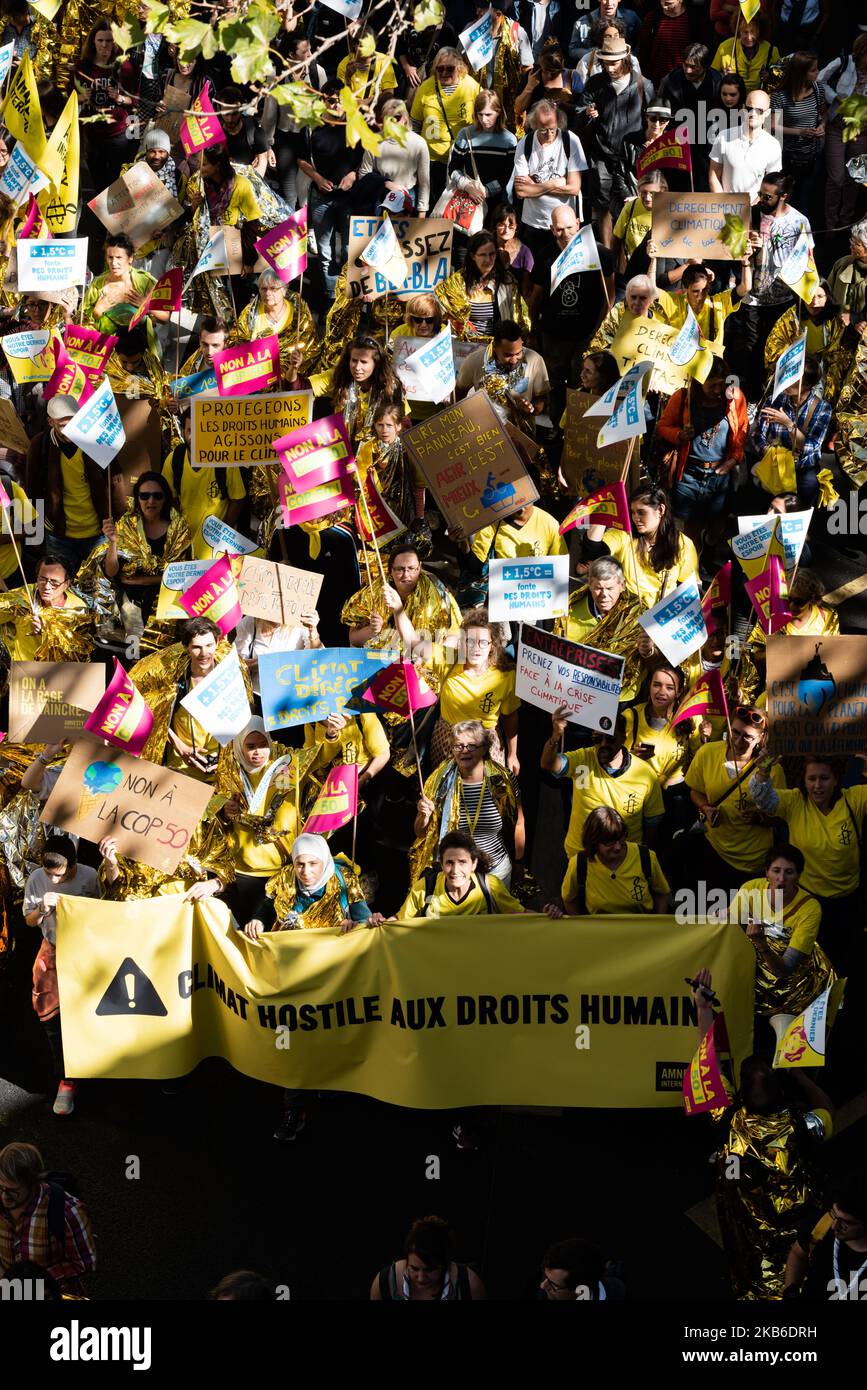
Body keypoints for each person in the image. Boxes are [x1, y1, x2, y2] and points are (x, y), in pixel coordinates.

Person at [690, 968, 834, 1300]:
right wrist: (798, 1075)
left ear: (739, 1091)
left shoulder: (726, 1115)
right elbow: (826, 1107)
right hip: (798, 1258)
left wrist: (702, 1008)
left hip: (749, 1257)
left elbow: (707, 1060)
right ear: (781, 1091)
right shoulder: (803, 1125)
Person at [749, 755, 867, 976]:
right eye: (811, 778)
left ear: (836, 780)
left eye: (824, 778)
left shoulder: (855, 799)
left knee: (843, 964)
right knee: (808, 966)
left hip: (848, 903)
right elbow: (762, 800)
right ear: (803, 780)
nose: (817, 785)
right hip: (807, 902)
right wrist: (763, 772)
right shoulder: (795, 802)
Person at [23, 835, 100, 1117]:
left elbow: (106, 909)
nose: (53, 881)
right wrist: (43, 908)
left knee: (89, 1011)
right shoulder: (36, 879)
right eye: (49, 874)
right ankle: (65, 1078)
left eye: (60, 875)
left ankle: (91, 1067)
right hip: (53, 948)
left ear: (74, 865)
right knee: (49, 1013)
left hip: (86, 949)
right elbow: (29, 919)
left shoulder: (90, 877)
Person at [717, 843, 835, 1021]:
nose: (781, 879)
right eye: (776, 871)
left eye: (789, 872)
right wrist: (723, 916)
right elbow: (729, 928)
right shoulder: (750, 889)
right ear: (766, 873)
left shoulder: (810, 908)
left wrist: (762, 943)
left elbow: (786, 969)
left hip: (797, 987)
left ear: (799, 876)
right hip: (757, 977)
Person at [218, 721, 314, 931]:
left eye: (263, 744)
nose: (258, 752)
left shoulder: (285, 767)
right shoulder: (229, 770)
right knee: (248, 934)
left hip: (281, 870)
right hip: (244, 872)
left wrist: (332, 734)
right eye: (250, 746)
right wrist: (224, 811)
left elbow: (319, 756)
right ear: (239, 746)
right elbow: (213, 815)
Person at [128, 617, 249, 782]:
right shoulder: (174, 679)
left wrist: (225, 758)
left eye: (209, 645)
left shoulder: (231, 672)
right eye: (196, 647)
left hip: (219, 770)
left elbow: (244, 719)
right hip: (179, 769)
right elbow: (145, 711)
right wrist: (178, 745)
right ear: (186, 647)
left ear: (218, 643)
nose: (204, 653)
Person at [684, 705, 786, 892]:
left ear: (761, 738)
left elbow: (782, 816)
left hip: (751, 863)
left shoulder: (771, 770)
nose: (738, 741)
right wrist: (705, 808)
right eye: (735, 732)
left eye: (747, 737)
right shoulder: (707, 753)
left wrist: (760, 818)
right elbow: (695, 791)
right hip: (713, 851)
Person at [528, 205, 615, 422]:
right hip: (554, 337)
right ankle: (557, 431)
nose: (565, 234)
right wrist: (534, 329)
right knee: (555, 387)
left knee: (583, 388)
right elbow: (535, 298)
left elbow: (609, 297)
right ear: (551, 229)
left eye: (569, 228)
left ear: (578, 223)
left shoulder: (601, 254)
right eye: (559, 229)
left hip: (586, 336)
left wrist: (597, 330)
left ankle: (579, 434)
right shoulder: (546, 256)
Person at [727, 173, 812, 394]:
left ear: (783, 196)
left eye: (767, 197)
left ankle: (774, 393)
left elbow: (807, 259)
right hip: (753, 298)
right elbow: (728, 246)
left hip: (783, 298)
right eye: (759, 194)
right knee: (752, 348)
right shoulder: (750, 214)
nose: (761, 200)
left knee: (777, 348)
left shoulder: (799, 221)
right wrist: (747, 248)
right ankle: (753, 395)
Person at [542, 708, 665, 862]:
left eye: (610, 739)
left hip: (624, 862)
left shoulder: (645, 775)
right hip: (582, 858)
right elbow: (548, 764)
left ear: (624, 736)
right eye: (597, 739)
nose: (603, 745)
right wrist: (556, 736)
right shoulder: (583, 759)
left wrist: (641, 860)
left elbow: (652, 824)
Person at [412, 721, 522, 887]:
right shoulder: (438, 782)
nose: (464, 751)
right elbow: (420, 832)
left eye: (471, 746)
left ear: (484, 749)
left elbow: (519, 823)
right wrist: (424, 816)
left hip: (496, 873)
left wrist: (519, 862)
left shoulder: (503, 780)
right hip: (454, 876)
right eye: (458, 746)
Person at [77, 471, 190, 626]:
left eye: (157, 496)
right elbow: (111, 572)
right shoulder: (126, 524)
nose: (151, 501)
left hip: (166, 601)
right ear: (137, 498)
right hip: (130, 604)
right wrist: (113, 542)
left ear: (165, 499)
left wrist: (144, 581)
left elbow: (184, 575)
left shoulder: (178, 527)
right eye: (144, 496)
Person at [655, 357, 749, 541]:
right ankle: (695, 566)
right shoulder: (683, 397)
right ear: (699, 381)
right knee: (692, 528)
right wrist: (679, 434)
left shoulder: (735, 398)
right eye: (712, 385)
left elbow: (742, 432)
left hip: (719, 476)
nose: (717, 390)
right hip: (689, 475)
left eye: (721, 385)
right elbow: (663, 427)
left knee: (717, 528)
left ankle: (710, 547)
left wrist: (733, 459)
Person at [583, 484, 699, 611]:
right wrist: (603, 516)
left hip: (663, 617)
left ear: (660, 510)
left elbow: (690, 590)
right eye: (632, 512)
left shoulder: (683, 544)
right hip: (626, 615)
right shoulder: (624, 535)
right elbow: (594, 553)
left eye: (641, 512)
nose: (635, 518)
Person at [25, 395, 108, 573]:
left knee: (98, 589)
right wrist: (35, 539)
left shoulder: (95, 441)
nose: (70, 429)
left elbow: (115, 480)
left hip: (97, 533)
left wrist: (118, 521)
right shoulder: (40, 445)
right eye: (63, 425)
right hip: (59, 535)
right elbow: (32, 492)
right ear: (50, 422)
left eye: (74, 422)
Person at [0, 1142, 96, 1297]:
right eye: (1, 1188)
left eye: (13, 1191)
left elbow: (84, 1264)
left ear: (35, 1182)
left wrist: (37, 1283)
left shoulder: (67, 1212)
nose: (4, 1196)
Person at [431, 609, 520, 770]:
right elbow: (413, 642)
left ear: (492, 646)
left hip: (485, 744)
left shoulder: (506, 676)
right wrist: (398, 611)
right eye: (470, 641)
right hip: (447, 742)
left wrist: (512, 754)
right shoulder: (448, 661)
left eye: (483, 642)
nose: (476, 648)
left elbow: (510, 717)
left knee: (484, 793)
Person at [577, 33, 644, 246]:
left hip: (631, 157)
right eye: (605, 63)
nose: (610, 68)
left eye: (614, 63)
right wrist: (587, 113)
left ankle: (627, 254)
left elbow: (652, 117)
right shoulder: (595, 83)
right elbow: (579, 110)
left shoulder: (643, 84)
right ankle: (607, 255)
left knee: (631, 204)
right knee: (603, 206)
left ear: (625, 59)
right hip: (602, 155)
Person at [161, 407, 246, 562]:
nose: (195, 437)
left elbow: (238, 499)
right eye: (190, 431)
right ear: (183, 432)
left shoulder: (224, 460)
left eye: (200, 430)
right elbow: (168, 499)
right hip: (184, 547)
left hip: (216, 550)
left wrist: (222, 533)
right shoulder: (174, 461)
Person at [554, 557, 644, 702]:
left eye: (610, 588)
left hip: (620, 698)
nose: (604, 595)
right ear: (589, 585)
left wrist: (649, 651)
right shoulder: (570, 610)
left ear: (622, 585)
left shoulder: (638, 614)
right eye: (598, 588)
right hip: (575, 693)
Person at [751, 357, 833, 506]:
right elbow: (758, 434)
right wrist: (770, 452)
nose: (786, 381)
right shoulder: (775, 400)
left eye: (793, 379)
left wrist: (788, 424)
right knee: (765, 506)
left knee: (808, 492)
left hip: (802, 468)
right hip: (775, 465)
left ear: (807, 385)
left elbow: (811, 447)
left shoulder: (822, 409)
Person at [391, 831, 528, 920]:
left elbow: (523, 916)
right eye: (449, 862)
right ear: (442, 864)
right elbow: (398, 922)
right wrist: (379, 923)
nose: (455, 870)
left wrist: (547, 915)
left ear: (473, 864)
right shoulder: (425, 887)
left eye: (462, 862)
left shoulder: (490, 886)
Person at [511, 99, 586, 260]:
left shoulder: (570, 140)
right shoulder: (525, 144)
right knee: (535, 273)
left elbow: (574, 187)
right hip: (534, 222)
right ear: (534, 124)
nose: (549, 134)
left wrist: (535, 186)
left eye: (552, 129)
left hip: (565, 225)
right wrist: (555, 183)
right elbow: (521, 191)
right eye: (543, 130)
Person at [562, 806, 670, 914]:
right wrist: (581, 927)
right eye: (610, 842)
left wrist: (656, 925)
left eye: (620, 838)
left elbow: (662, 893)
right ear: (594, 842)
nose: (618, 847)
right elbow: (569, 899)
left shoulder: (646, 857)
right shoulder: (579, 864)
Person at [411, 48, 481, 207]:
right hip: (431, 160)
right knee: (432, 205)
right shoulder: (426, 87)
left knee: (455, 208)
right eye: (439, 69)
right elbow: (415, 123)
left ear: (460, 67)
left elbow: (483, 119)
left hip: (460, 161)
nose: (444, 72)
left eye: (450, 68)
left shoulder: (472, 87)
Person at [0, 555, 97, 666]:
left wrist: (47, 629)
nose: (47, 587)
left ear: (66, 584)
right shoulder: (23, 597)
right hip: (22, 671)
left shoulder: (78, 610)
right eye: (43, 579)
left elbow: (78, 652)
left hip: (56, 673)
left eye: (54, 582)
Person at [436, 231, 531, 344]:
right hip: (466, 349)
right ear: (472, 256)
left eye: (492, 254)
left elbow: (517, 319)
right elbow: (440, 313)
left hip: (499, 349)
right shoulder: (457, 282)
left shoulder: (506, 281)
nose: (488, 260)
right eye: (482, 255)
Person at [764, 280, 849, 405]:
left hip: (823, 370)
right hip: (796, 367)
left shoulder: (834, 320)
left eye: (820, 296)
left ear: (828, 297)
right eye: (809, 297)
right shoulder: (792, 317)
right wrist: (799, 358)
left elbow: (840, 353)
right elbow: (775, 344)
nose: (814, 302)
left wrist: (823, 359)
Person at [455, 317, 549, 429]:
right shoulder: (474, 361)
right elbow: (459, 394)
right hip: (484, 432)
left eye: (518, 353)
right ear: (495, 347)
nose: (514, 359)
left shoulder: (535, 360)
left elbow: (542, 400)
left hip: (522, 434)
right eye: (508, 355)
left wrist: (531, 408)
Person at [229, 267, 319, 383]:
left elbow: (309, 347)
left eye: (273, 289)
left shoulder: (299, 312)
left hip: (290, 381)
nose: (268, 293)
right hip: (257, 381)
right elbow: (238, 341)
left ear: (285, 288)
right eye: (263, 289)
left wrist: (297, 361)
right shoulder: (250, 312)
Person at [784, 1176, 867, 1301]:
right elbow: (798, 1254)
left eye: (846, 1223)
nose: (834, 1226)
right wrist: (791, 1291)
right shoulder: (821, 1225)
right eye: (835, 1214)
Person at [371, 1214, 485, 1300]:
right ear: (407, 1260)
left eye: (429, 1270)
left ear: (445, 1263)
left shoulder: (468, 1284)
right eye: (414, 1268)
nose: (421, 1278)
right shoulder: (386, 1281)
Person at [448, 92, 517, 226]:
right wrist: (468, 187)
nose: (484, 119)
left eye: (488, 114)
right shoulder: (465, 134)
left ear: (498, 112)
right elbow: (454, 168)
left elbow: (507, 174)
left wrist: (485, 191)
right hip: (468, 200)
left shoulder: (509, 140)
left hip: (497, 204)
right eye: (480, 114)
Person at [658, 44, 722, 189]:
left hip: (708, 145)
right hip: (680, 144)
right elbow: (661, 111)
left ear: (705, 67)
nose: (688, 70)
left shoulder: (717, 81)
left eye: (694, 67)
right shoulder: (670, 81)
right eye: (685, 65)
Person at [771, 52, 828, 214]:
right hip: (788, 157)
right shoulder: (780, 96)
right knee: (787, 199)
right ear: (801, 73)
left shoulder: (818, 89)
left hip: (811, 156)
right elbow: (774, 126)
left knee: (805, 199)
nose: (818, 72)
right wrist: (799, 131)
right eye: (813, 70)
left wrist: (822, 126)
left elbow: (824, 114)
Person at [357, 99, 431, 216]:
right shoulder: (374, 140)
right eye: (388, 118)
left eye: (397, 117)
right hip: (380, 197)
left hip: (408, 197)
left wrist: (422, 213)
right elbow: (364, 175)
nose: (392, 122)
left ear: (405, 118)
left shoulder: (419, 143)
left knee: (405, 235)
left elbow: (424, 182)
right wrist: (386, 183)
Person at [708, 87, 783, 198]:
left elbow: (772, 186)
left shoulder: (773, 145)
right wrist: (723, 204)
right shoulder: (723, 136)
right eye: (749, 108)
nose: (753, 113)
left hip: (757, 208)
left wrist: (754, 205)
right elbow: (714, 175)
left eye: (759, 110)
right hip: (726, 207)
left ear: (767, 113)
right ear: (743, 109)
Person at [539, 1235, 625, 1300]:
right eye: (545, 1276)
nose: (542, 1286)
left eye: (553, 1285)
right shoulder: (547, 1284)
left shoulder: (617, 1293)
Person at [711, 14, 780, 95]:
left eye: (753, 32)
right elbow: (712, 76)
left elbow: (781, 77)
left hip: (760, 100)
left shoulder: (771, 50)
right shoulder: (725, 47)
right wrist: (723, 76)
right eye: (745, 32)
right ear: (739, 31)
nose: (749, 37)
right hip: (732, 99)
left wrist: (770, 76)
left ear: (759, 31)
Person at [826, 219, 867, 321]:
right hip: (838, 327)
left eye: (857, 244)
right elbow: (827, 292)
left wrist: (855, 318)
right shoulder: (842, 264)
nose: (851, 246)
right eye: (852, 241)